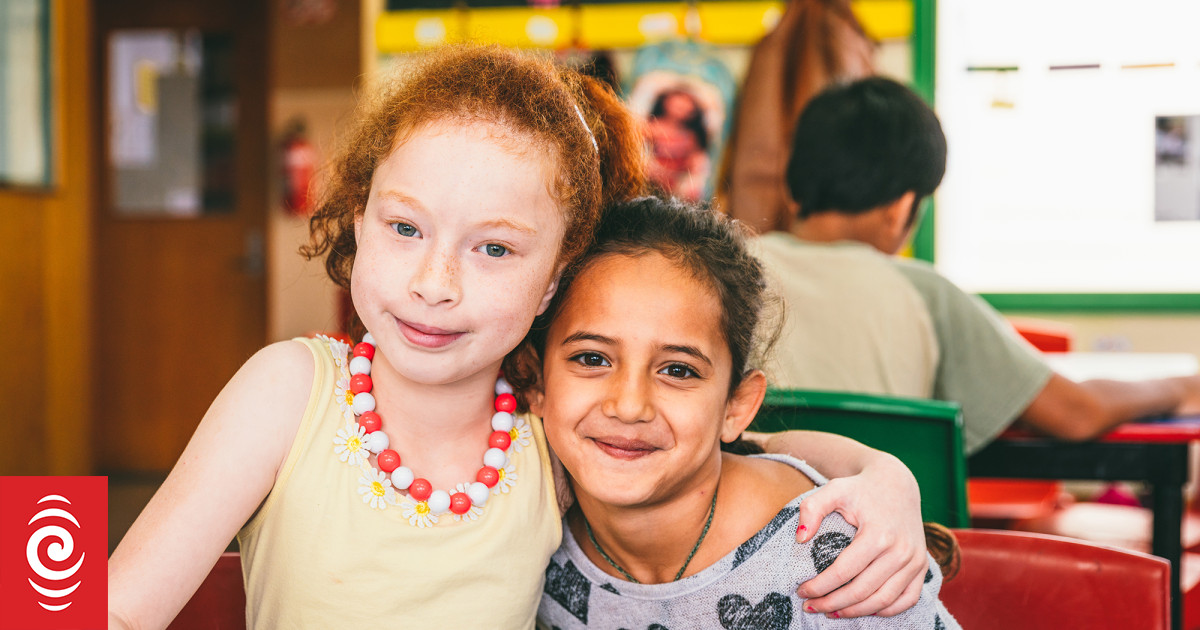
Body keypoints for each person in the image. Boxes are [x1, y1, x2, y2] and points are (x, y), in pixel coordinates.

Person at [107, 47, 927, 629]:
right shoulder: (291, 388)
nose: (435, 282)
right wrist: (26, 518)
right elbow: (108, 603)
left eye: (493, 248)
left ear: (556, 274)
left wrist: (887, 477)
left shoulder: (547, 431)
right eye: (403, 227)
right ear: (358, 218)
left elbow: (743, 443)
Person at [531, 197, 962, 628]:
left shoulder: (829, 559)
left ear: (736, 407)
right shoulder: (533, 527)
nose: (627, 406)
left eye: (678, 370)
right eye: (591, 359)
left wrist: (886, 472)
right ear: (535, 381)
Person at [756, 76, 1200, 454]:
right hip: (889, 551)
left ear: (793, 191)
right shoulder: (923, 293)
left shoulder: (728, 267)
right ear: (901, 209)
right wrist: (1182, 387)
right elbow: (1077, 414)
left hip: (736, 547)